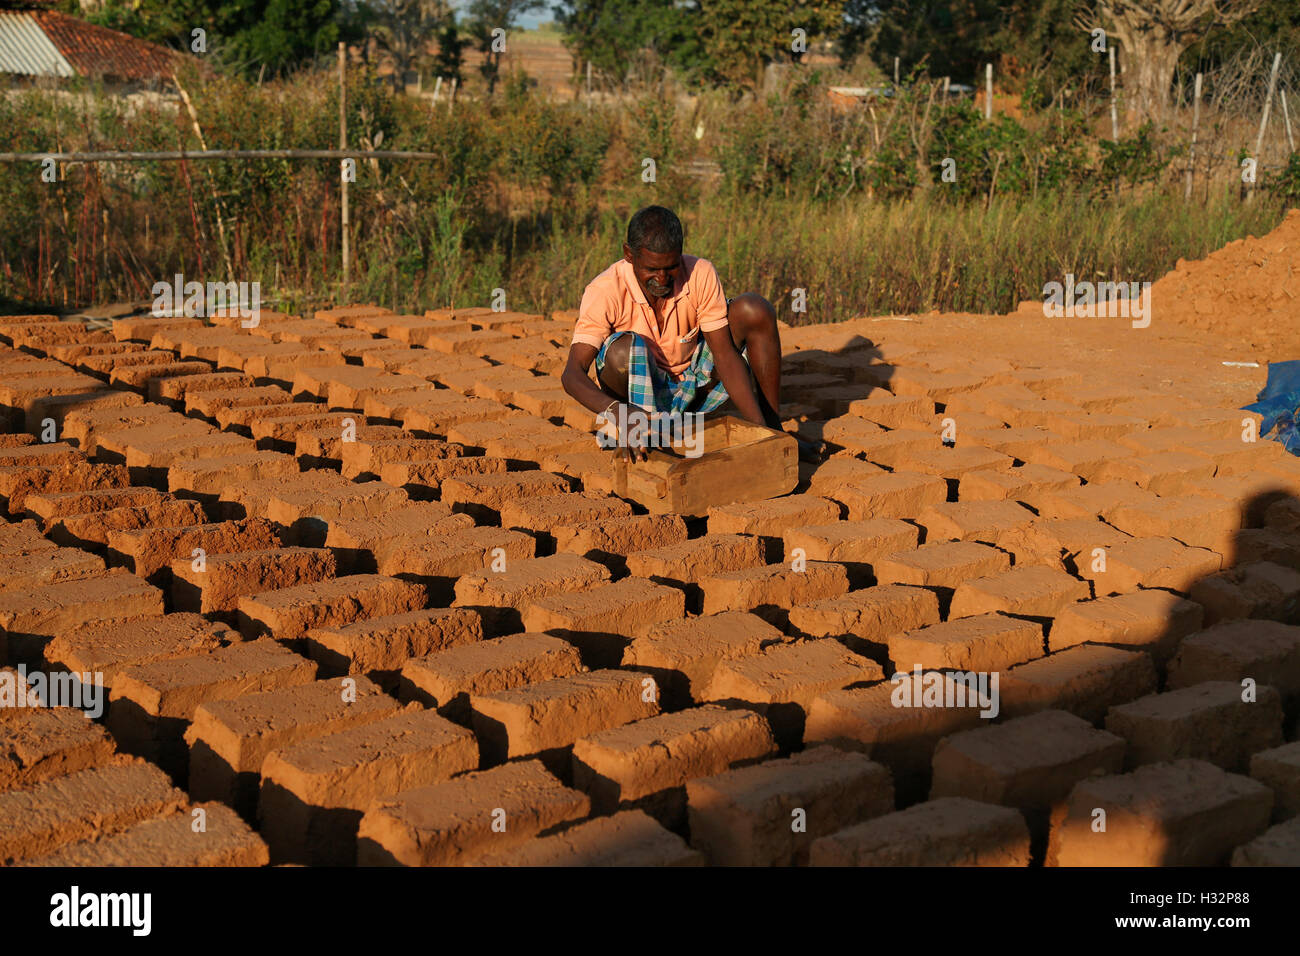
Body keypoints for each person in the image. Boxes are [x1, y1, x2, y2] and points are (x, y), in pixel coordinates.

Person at [560, 205, 790, 461]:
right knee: (624, 348)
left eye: (670, 267)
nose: (662, 278)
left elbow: (724, 355)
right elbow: (572, 375)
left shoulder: (699, 273)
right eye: (651, 269)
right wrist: (619, 413)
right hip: (635, 406)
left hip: (693, 389)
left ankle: (773, 428)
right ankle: (637, 437)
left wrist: (766, 437)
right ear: (629, 254)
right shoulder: (604, 290)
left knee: (753, 309)